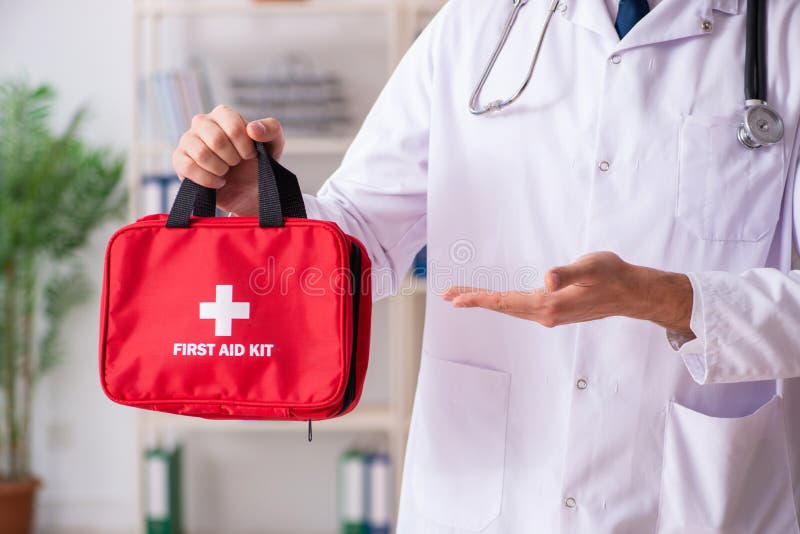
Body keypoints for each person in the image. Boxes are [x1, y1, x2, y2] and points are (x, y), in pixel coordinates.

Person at [172, 0, 800, 531]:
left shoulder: (783, 35)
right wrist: (262, 203)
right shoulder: (478, 24)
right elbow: (361, 243)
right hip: (488, 496)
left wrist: (667, 298)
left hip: (690, 500)